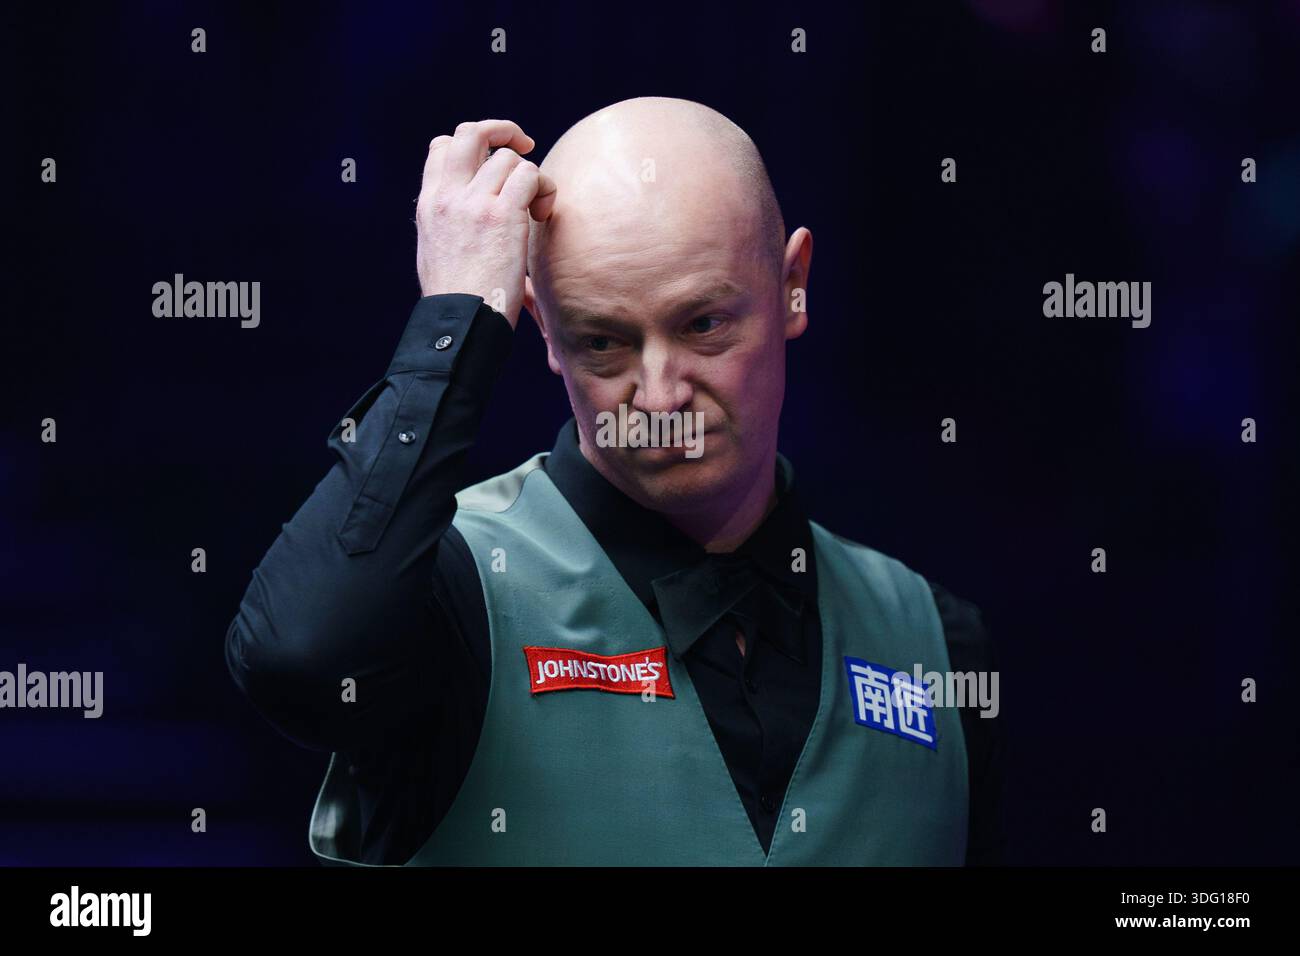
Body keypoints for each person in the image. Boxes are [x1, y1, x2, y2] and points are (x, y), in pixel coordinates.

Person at [225, 96, 1004, 866]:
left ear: (793, 283)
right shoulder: (454, 597)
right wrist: (456, 313)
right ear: (544, 331)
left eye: (703, 324)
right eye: (604, 341)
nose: (661, 397)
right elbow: (298, 658)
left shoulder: (935, 639)